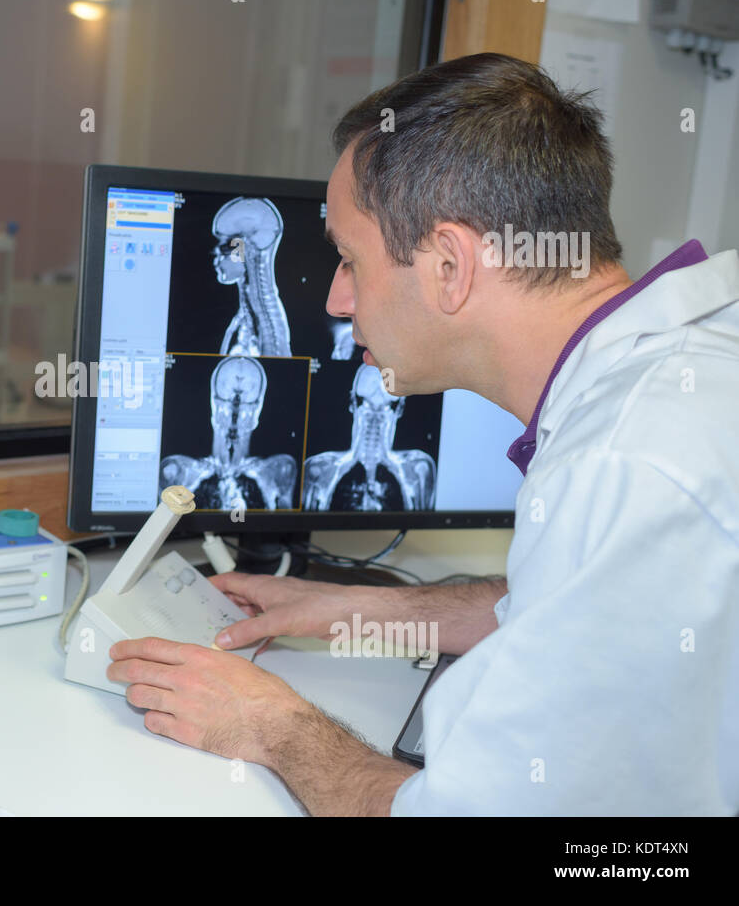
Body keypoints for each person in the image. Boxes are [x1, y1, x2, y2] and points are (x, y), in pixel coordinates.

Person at [107, 52, 739, 815]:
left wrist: (271, 723)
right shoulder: (682, 372)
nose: (338, 301)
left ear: (450, 266)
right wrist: (343, 608)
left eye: (349, 259)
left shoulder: (623, 466)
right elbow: (582, 604)